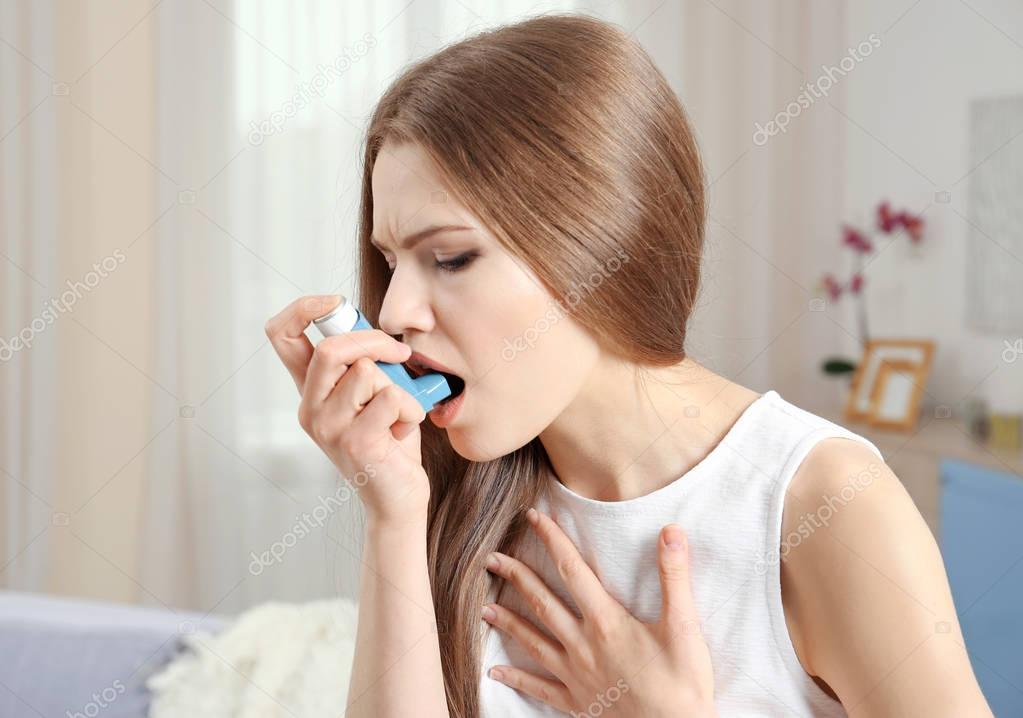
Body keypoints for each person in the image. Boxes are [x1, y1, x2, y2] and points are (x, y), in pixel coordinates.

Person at [265, 13, 992, 718]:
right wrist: (391, 512)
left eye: (450, 257)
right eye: (391, 263)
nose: (395, 314)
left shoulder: (824, 504)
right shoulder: (466, 500)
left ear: (593, 243)